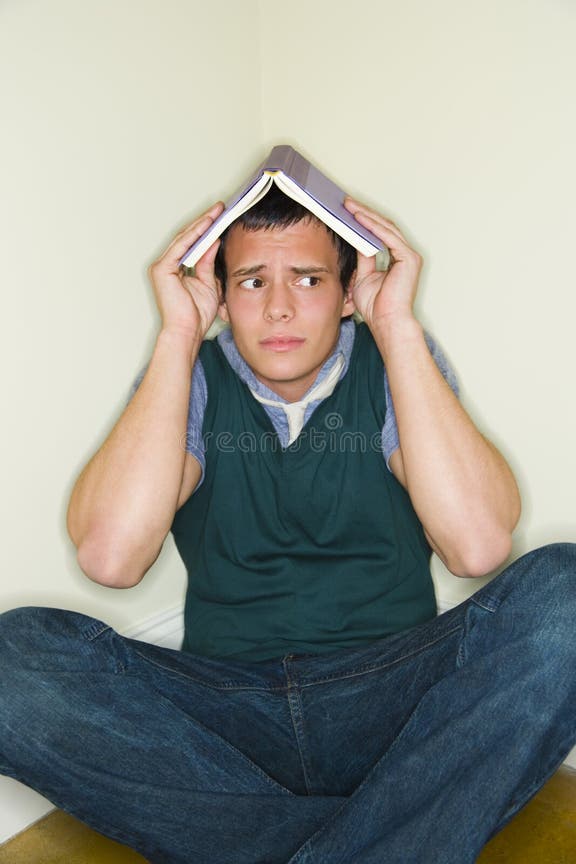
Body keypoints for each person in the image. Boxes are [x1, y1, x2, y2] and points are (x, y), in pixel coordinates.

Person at [1, 185, 575, 864]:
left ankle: (300, 835)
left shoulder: (396, 362)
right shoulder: (189, 374)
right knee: (14, 655)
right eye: (251, 281)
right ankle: (391, 830)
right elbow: (111, 557)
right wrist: (178, 335)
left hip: (391, 701)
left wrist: (396, 326)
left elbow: (477, 545)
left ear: (347, 289)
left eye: (308, 278)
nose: (278, 307)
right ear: (221, 294)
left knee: (565, 589)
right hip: (225, 715)